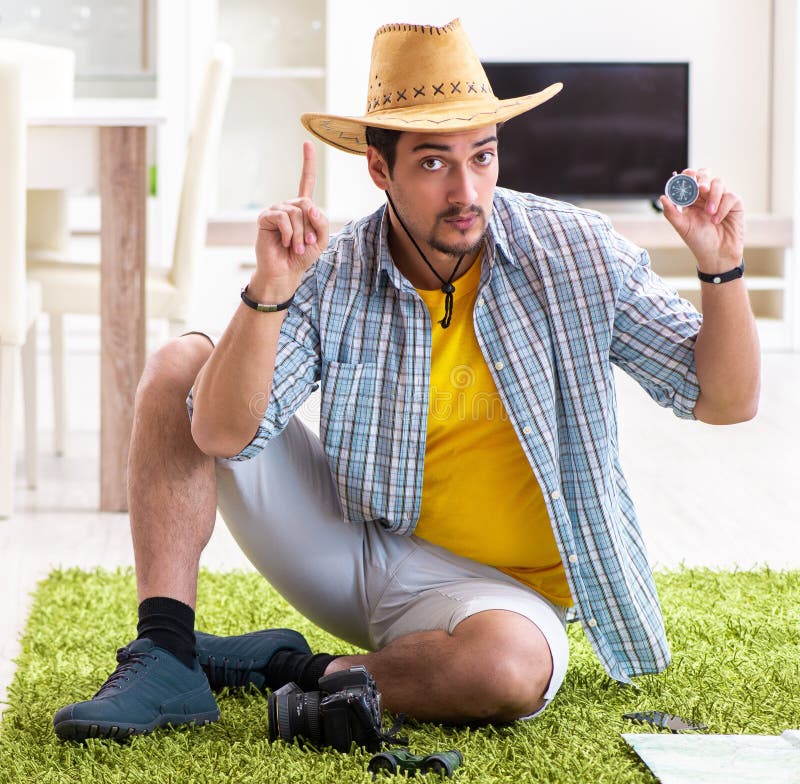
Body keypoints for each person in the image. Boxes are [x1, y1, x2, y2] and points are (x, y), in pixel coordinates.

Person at [54, 18, 760, 741]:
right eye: (432, 163)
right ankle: (167, 653)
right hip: (358, 545)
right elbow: (223, 433)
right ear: (378, 168)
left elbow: (727, 401)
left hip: (504, 598)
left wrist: (721, 266)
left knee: (506, 671)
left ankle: (294, 669)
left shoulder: (577, 254)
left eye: (482, 157)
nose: (466, 190)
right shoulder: (334, 272)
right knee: (181, 366)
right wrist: (269, 290)